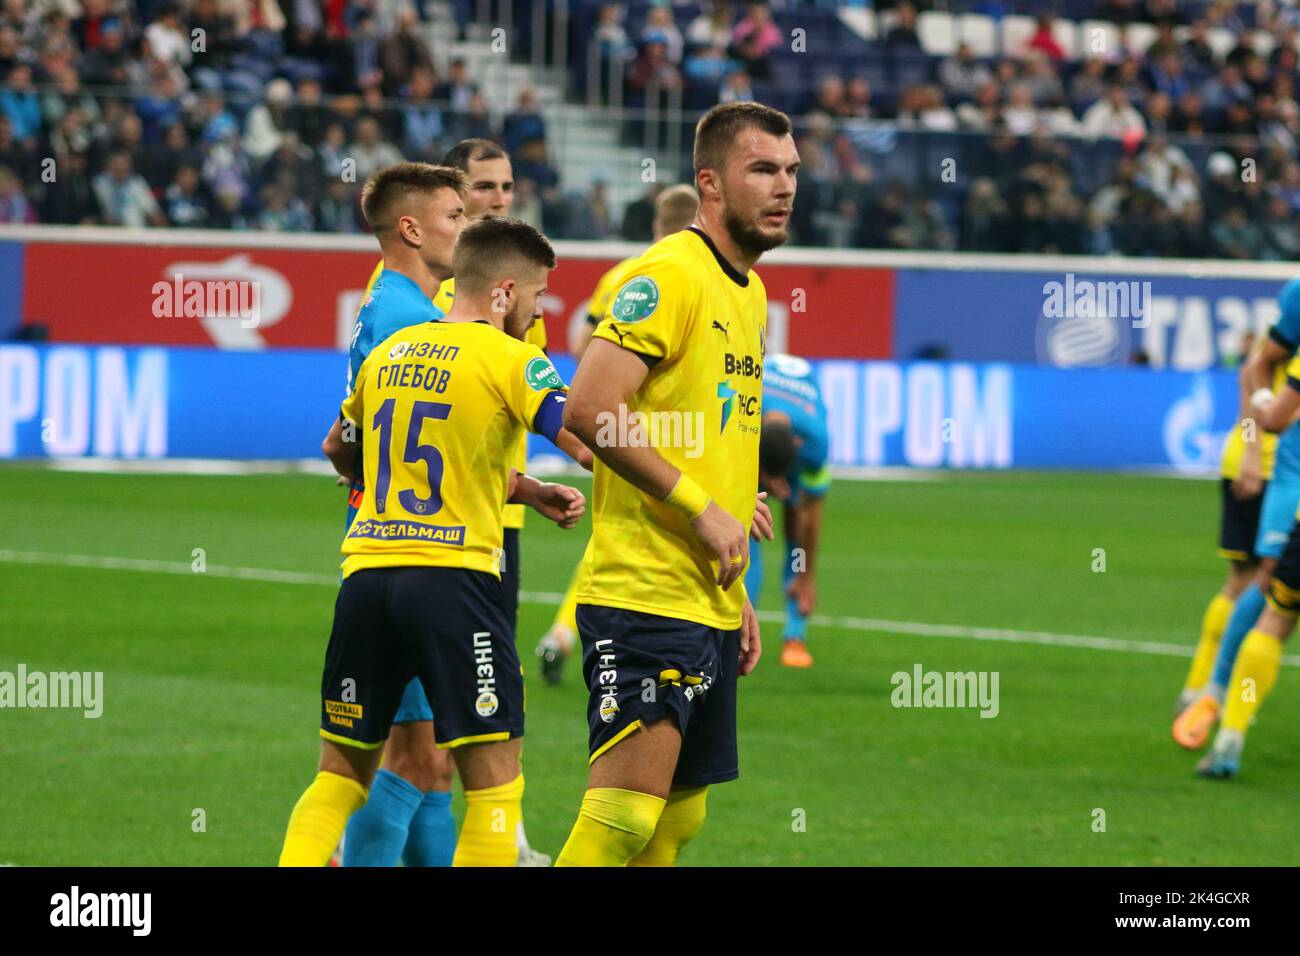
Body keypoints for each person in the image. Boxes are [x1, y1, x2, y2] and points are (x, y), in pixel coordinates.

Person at [278, 203, 588, 866]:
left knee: (338, 776)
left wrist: (520, 491)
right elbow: (586, 434)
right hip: (454, 584)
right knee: (496, 787)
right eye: (538, 296)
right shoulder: (514, 359)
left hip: (367, 575)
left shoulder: (390, 352)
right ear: (504, 291)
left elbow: (340, 446)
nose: (541, 314)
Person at [553, 101, 794, 866]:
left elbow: (717, 445)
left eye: (791, 171)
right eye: (763, 170)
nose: (784, 186)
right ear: (711, 184)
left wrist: (738, 589)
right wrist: (699, 511)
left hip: (706, 597)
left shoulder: (751, 294)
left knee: (676, 824)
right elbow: (590, 409)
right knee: (622, 819)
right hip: (643, 592)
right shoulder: (667, 275)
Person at [342, 141, 565, 867]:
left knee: (433, 751)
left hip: (469, 533)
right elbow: (393, 439)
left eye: (503, 189)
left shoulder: (447, 302)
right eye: (471, 197)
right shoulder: (426, 313)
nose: (494, 203)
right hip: (433, 547)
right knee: (419, 754)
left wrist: (521, 488)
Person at [535, 183, 702, 685]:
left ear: (655, 225)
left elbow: (584, 346)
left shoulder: (622, 277)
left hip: (615, 430)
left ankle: (567, 637)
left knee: (614, 535)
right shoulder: (697, 277)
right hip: (675, 437)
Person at [1174, 279, 1300, 760]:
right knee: (1253, 581)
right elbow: (1255, 372)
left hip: (1284, 459)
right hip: (1272, 465)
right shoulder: (1296, 300)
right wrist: (1250, 447)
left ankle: (1220, 702)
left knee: (1266, 592)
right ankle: (1208, 690)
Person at [744, 353, 830, 669]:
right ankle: (738, 630)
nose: (778, 490)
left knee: (797, 538)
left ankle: (795, 634)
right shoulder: (743, 413)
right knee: (745, 528)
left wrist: (807, 576)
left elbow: (811, 510)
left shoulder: (815, 442)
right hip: (756, 436)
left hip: (791, 431)